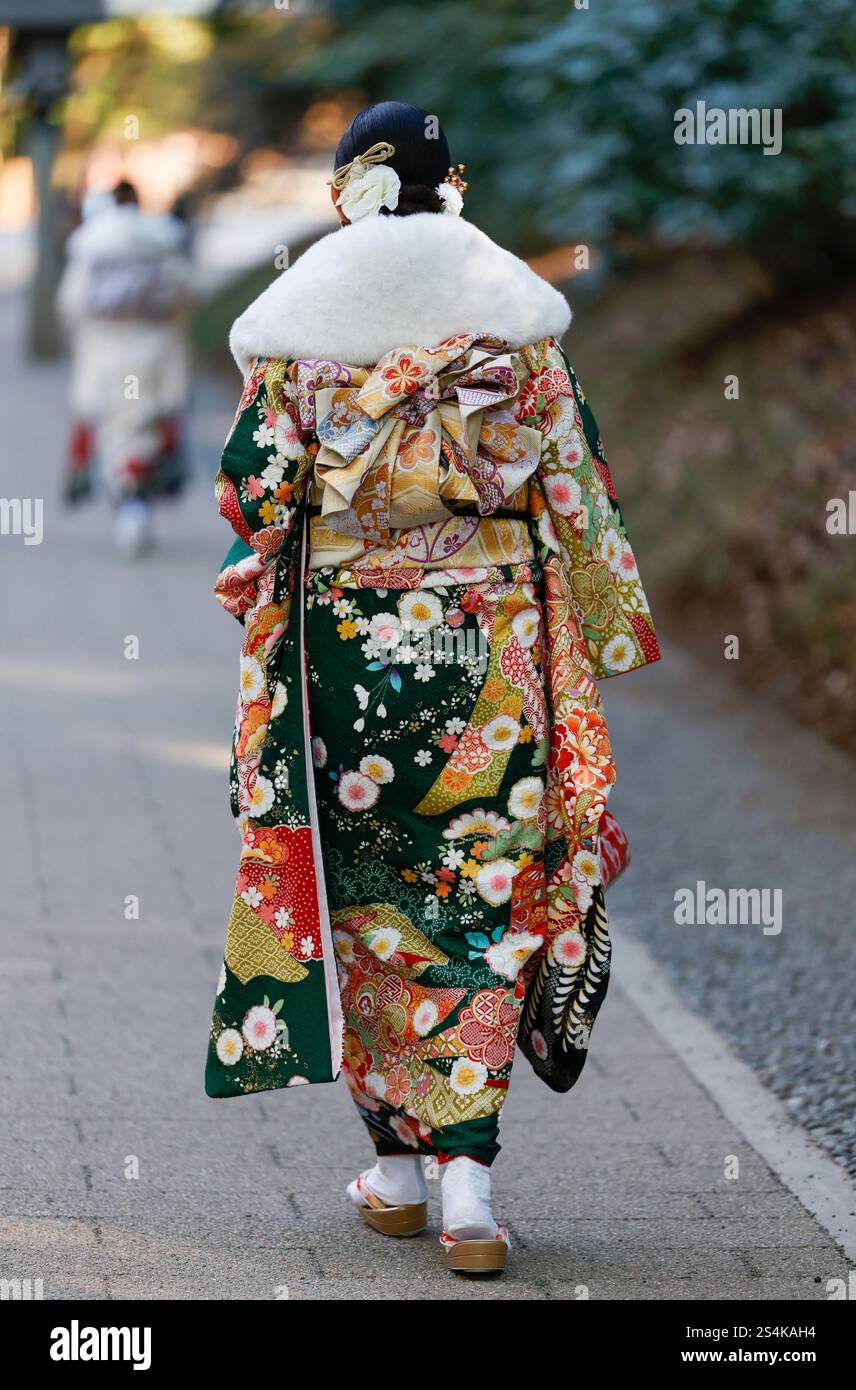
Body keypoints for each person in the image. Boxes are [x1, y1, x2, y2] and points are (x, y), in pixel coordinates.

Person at [204, 102, 660, 1274]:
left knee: (366, 897)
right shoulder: (511, 313)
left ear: (350, 187)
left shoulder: (308, 312)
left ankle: (393, 1171)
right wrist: (606, 629)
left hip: (348, 654)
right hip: (491, 650)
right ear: (443, 183)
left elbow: (255, 490)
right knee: (479, 885)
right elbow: (577, 480)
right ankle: (466, 1187)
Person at [57, 180, 190, 556]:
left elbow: (72, 301)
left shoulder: (93, 242)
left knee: (114, 428)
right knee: (145, 423)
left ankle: (125, 496)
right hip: (155, 348)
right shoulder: (161, 239)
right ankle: (137, 498)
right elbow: (184, 291)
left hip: (106, 348)